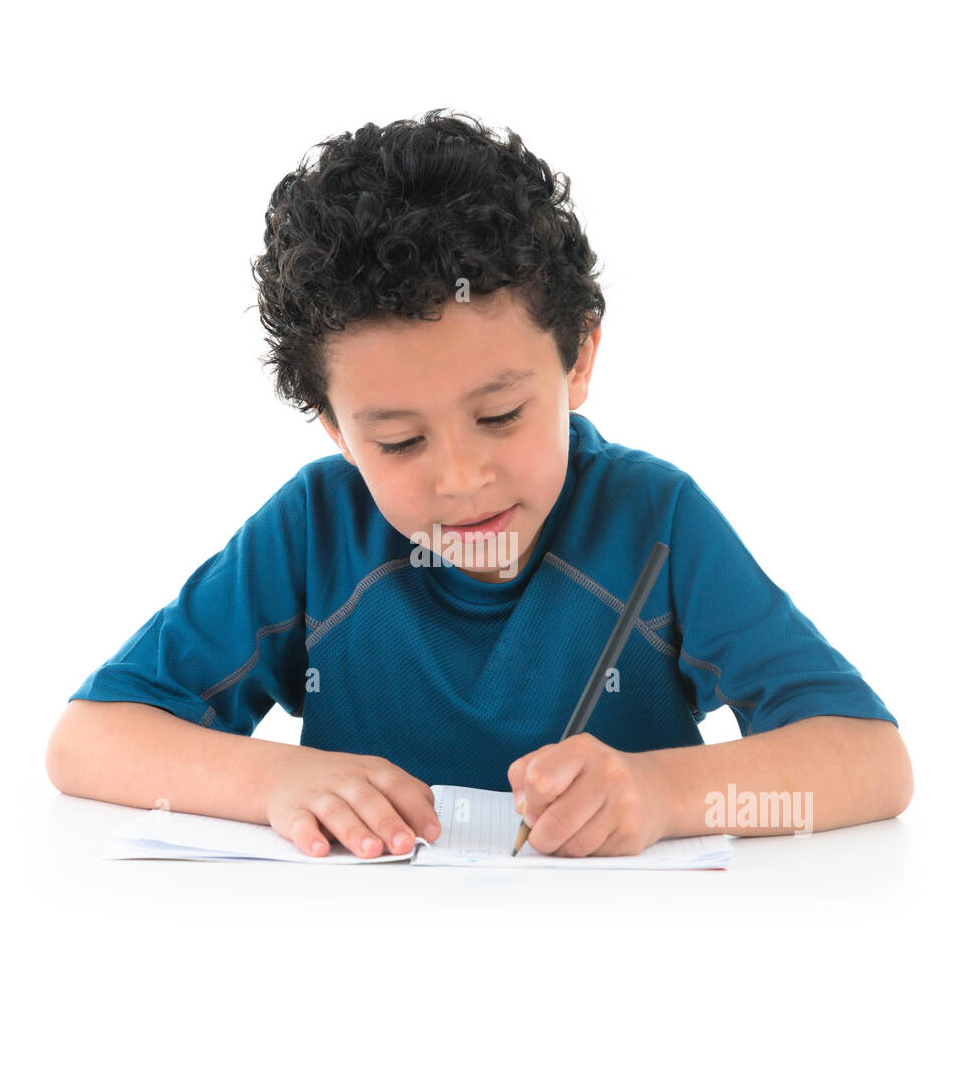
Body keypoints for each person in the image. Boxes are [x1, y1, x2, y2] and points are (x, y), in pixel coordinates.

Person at [45, 109, 913, 859]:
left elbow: (869, 759)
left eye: (499, 416)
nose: (461, 480)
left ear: (579, 359)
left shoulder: (654, 521)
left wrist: (665, 795)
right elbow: (88, 741)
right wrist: (279, 778)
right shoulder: (315, 531)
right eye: (398, 439)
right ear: (334, 426)